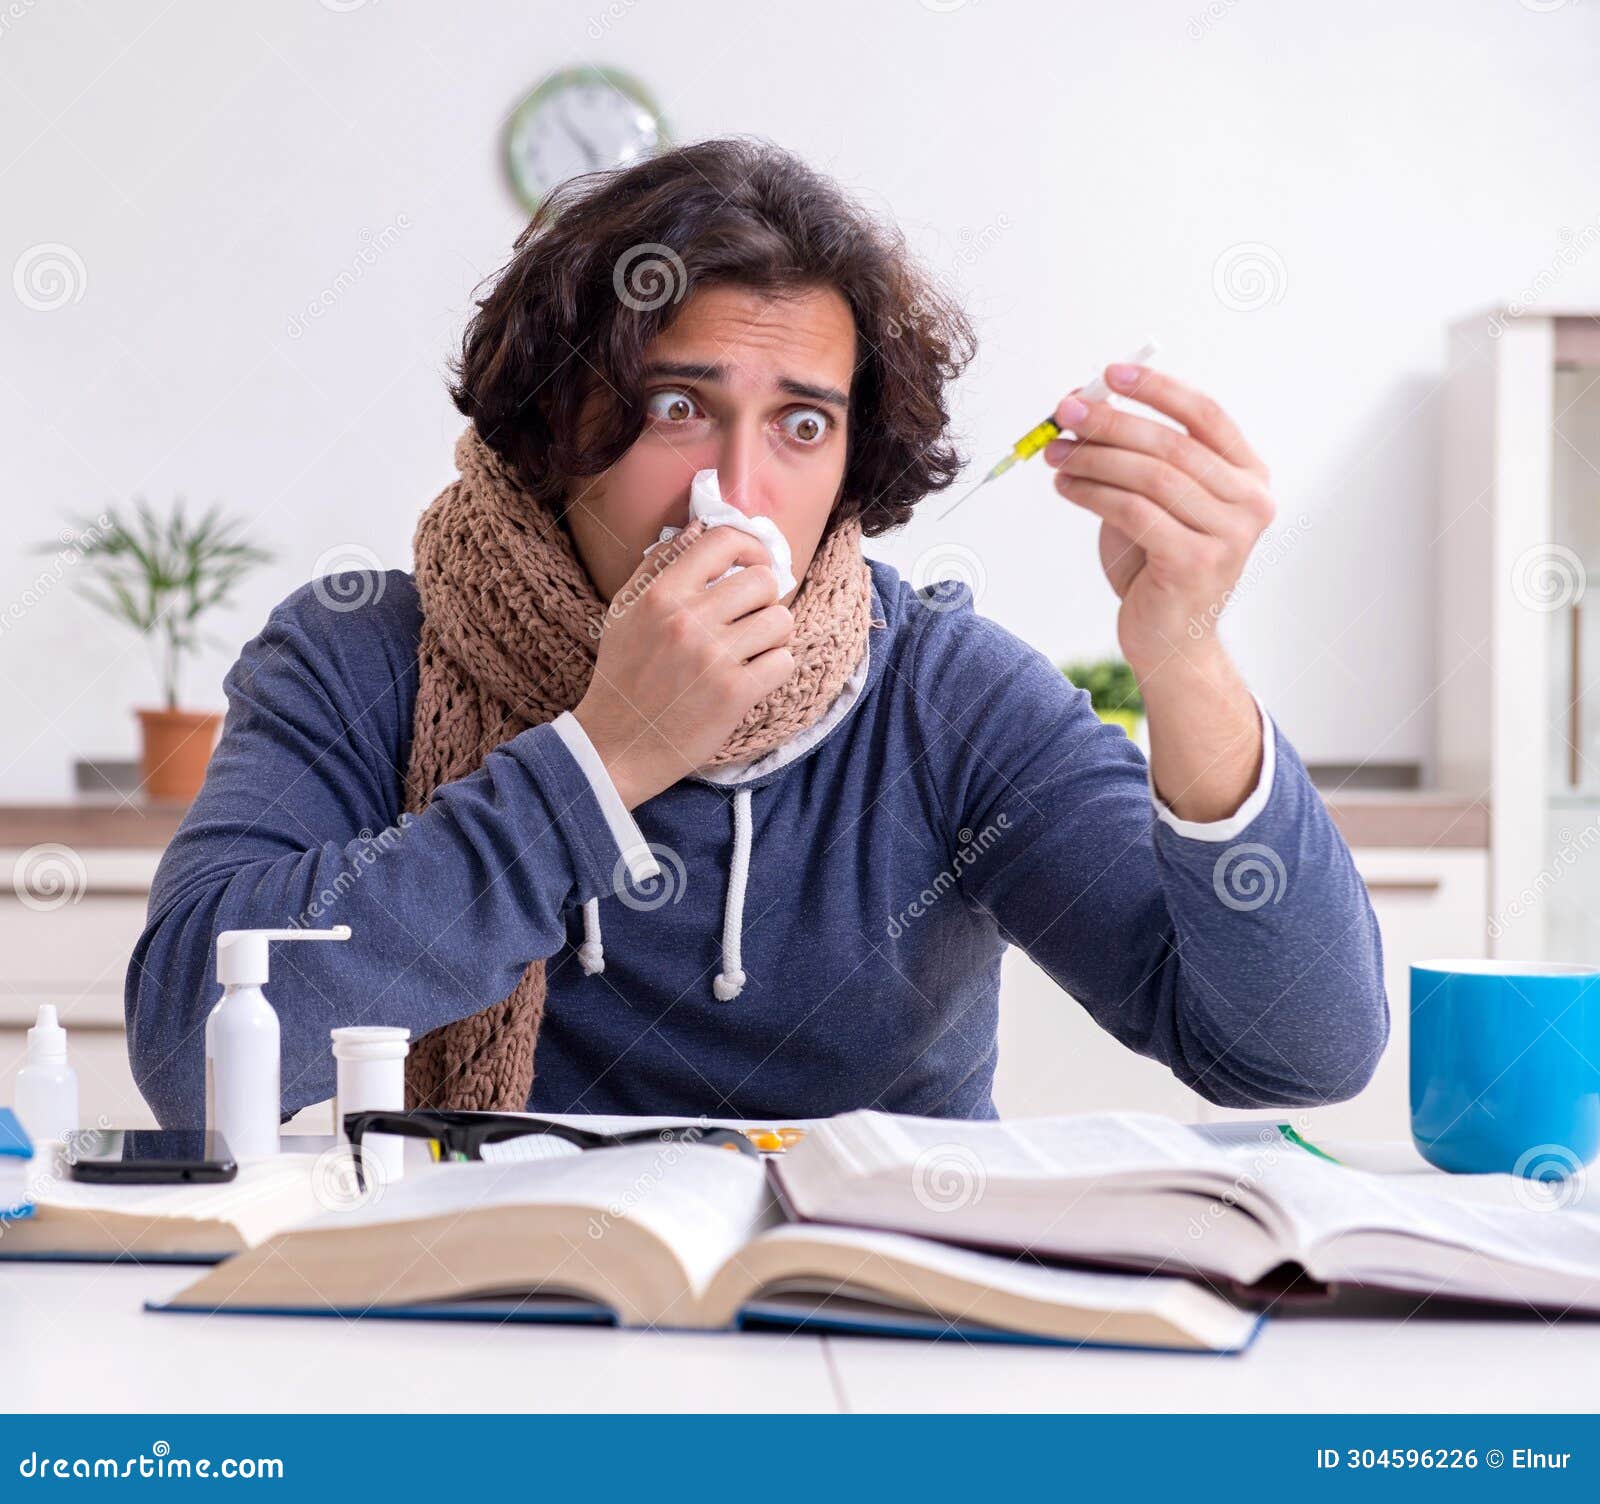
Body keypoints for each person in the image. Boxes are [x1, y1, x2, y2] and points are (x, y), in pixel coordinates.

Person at [126, 137, 1386, 1127]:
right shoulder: (359, 654)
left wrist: (1184, 655)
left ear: (853, 464)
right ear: (554, 426)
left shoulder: (943, 695)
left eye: (799, 425)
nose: (735, 489)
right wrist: (599, 759)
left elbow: (1296, 1051)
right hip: (487, 1329)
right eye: (679, 404)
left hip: (874, 1341)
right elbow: (193, 1049)